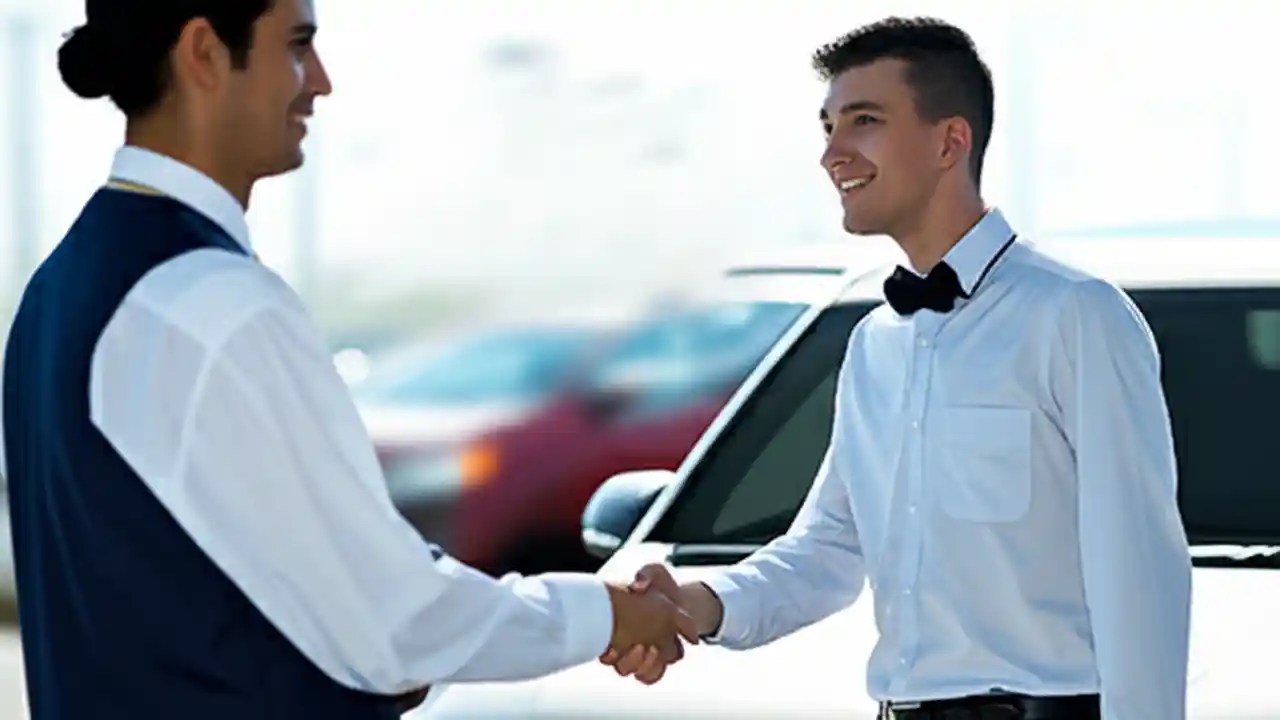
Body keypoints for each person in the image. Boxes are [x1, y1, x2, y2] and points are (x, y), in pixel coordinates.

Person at [0, 1, 696, 717]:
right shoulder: (220, 306)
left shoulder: (57, 291)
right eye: (297, 45)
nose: (320, 81)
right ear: (204, 51)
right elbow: (395, 621)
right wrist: (608, 613)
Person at [601, 16, 1192, 720]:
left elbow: (1140, 574)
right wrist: (694, 604)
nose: (832, 154)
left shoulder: (1075, 316)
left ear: (949, 142)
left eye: (864, 121)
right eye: (828, 127)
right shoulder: (874, 344)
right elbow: (827, 548)